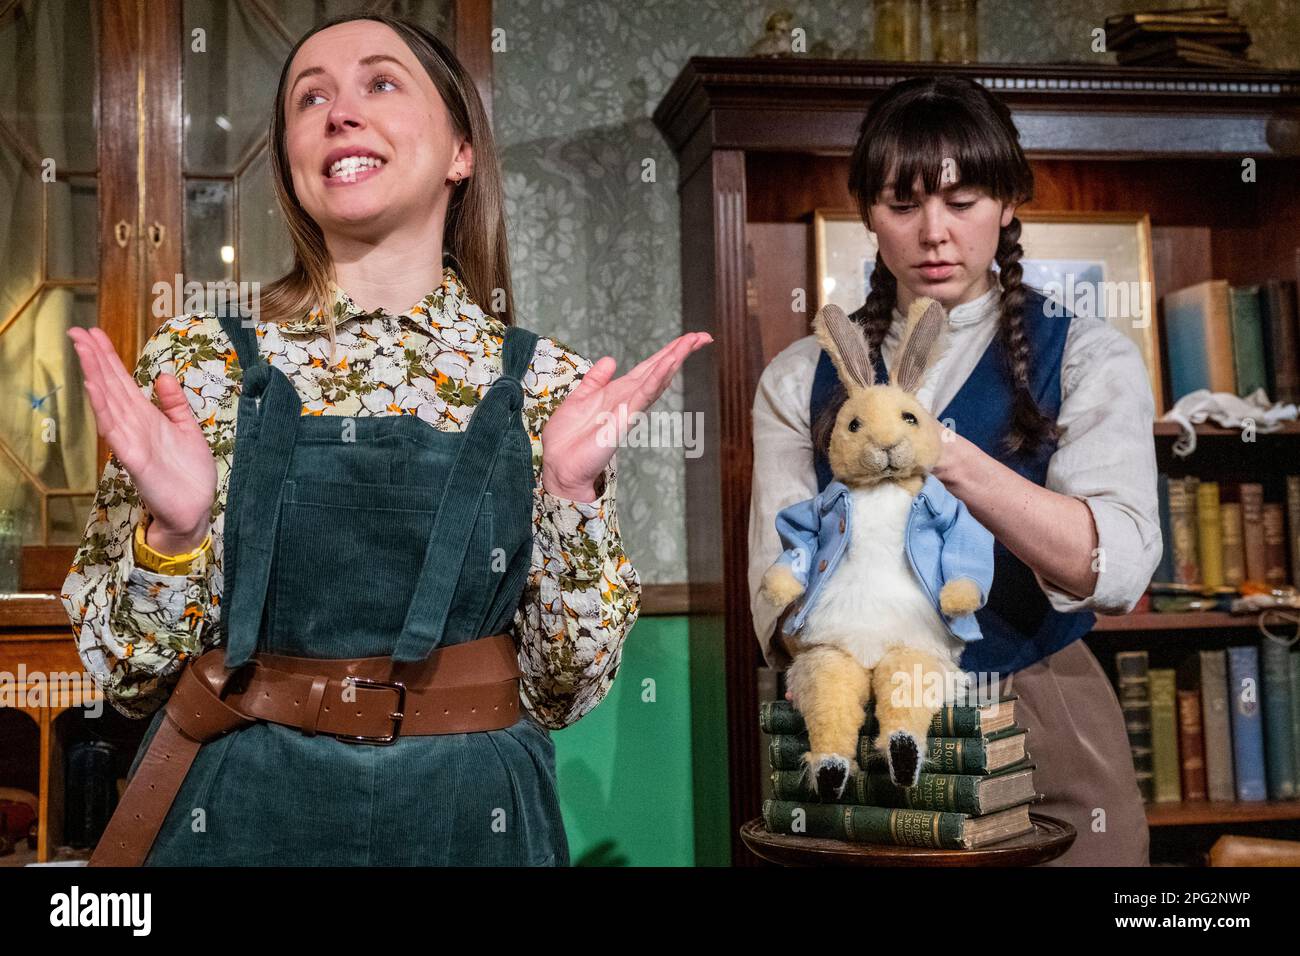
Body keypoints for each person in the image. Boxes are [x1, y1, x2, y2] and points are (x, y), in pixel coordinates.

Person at [61, 12, 710, 867]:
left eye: (380, 82)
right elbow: (127, 674)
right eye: (310, 97)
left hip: (472, 817)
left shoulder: (550, 385)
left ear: (460, 153)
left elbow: (563, 690)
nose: (339, 112)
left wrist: (567, 493)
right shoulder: (197, 363)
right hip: (241, 804)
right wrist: (174, 537)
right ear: (294, 165)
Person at [747, 75, 1160, 866]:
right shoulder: (802, 376)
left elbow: (1114, 565)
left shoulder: (1087, 355)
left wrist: (955, 461)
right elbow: (778, 589)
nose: (934, 233)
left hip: (1039, 708)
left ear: (1008, 201)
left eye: (962, 201)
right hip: (860, 724)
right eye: (903, 205)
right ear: (870, 214)